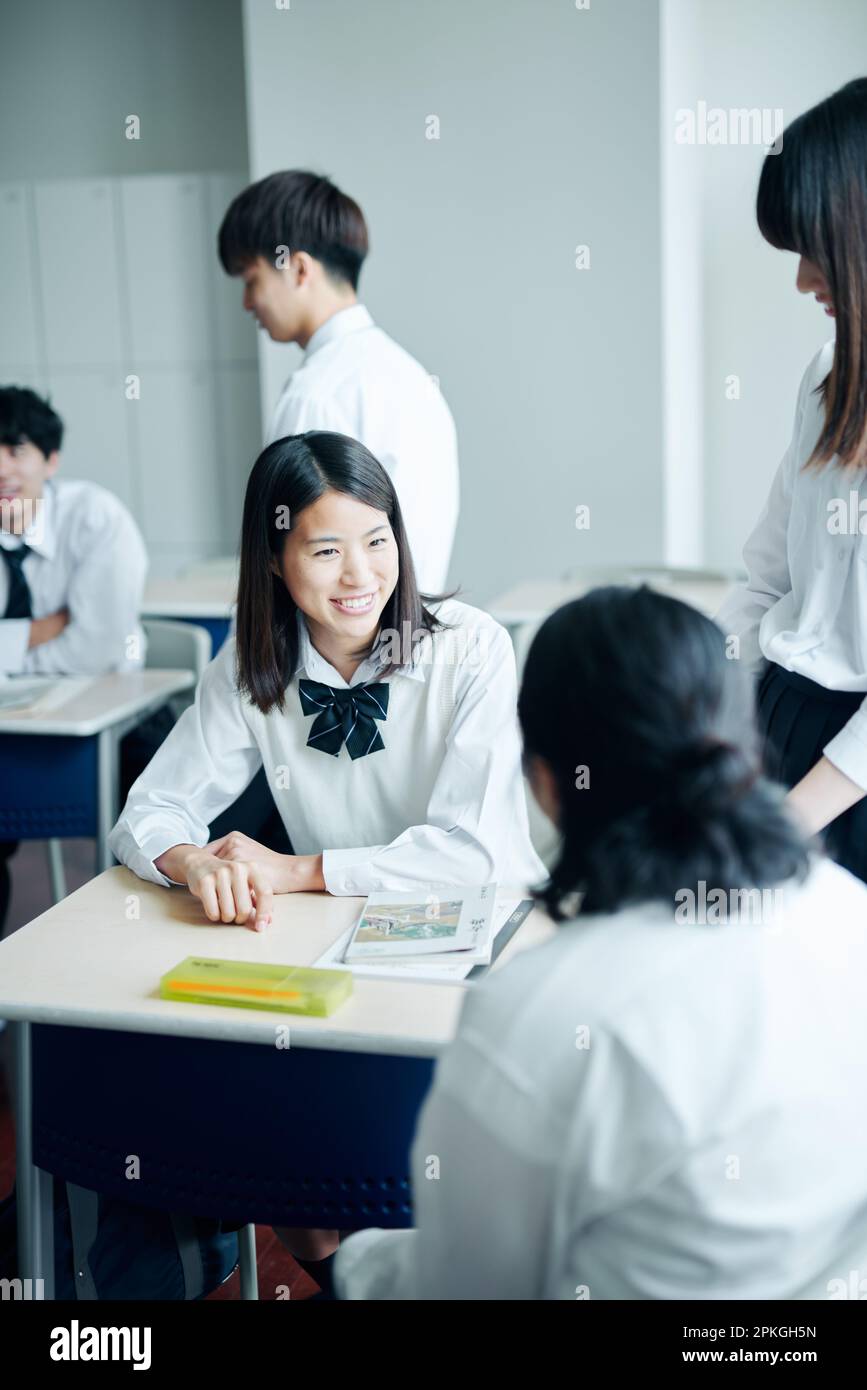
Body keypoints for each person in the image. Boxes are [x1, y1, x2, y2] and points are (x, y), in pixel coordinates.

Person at [334, 587, 867, 1299]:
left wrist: (347, 1263)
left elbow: (466, 1286)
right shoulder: (848, 917)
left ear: (547, 782)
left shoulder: (538, 1012)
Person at [109, 429, 542, 1286]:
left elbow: (472, 855)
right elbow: (145, 814)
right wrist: (195, 862)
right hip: (336, 950)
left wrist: (292, 869)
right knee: (279, 1141)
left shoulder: (472, 648)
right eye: (326, 549)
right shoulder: (250, 665)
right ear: (273, 560)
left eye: (377, 541)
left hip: (479, 950)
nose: (360, 576)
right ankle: (337, 1277)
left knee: (421, 1164)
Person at [716, 78, 867, 884]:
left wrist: (792, 814)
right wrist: (704, 718)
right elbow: (766, 580)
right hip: (778, 725)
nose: (804, 281)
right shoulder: (824, 376)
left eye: (815, 249)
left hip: (849, 779)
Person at [218, 170, 459, 594]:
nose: (246, 302)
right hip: (406, 632)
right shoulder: (408, 373)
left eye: (251, 279)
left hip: (345, 646)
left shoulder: (317, 394)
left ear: (297, 268)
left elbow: (292, 561)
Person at [0, 386, 147, 929]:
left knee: (145, 821)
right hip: (12, 728)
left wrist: (9, 647)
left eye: (15, 450)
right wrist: (41, 630)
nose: (1, 469)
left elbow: (95, 650)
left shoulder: (94, 518)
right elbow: (75, 641)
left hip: (113, 714)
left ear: (50, 461)